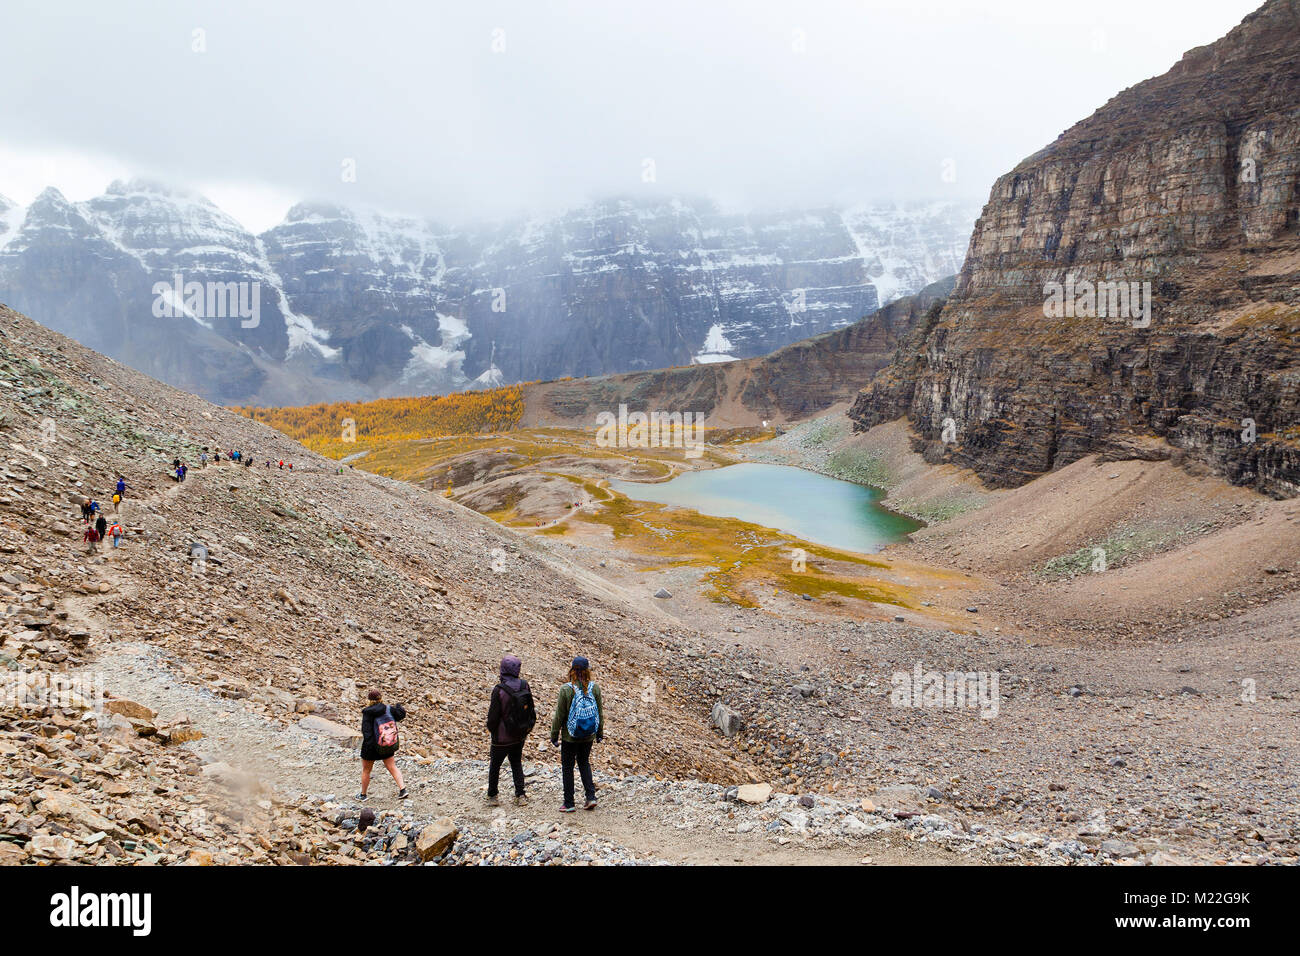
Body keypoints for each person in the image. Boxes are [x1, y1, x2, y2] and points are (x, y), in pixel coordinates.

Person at [549, 655, 604, 812]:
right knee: (584, 763)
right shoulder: (595, 688)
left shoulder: (566, 689)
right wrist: (599, 733)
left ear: (572, 670)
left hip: (569, 737)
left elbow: (559, 715)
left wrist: (554, 735)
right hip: (588, 735)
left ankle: (569, 803)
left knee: (567, 767)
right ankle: (590, 797)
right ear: (587, 671)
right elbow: (599, 713)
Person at [486, 655, 535, 807]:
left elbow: (493, 717)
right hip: (519, 734)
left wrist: (492, 731)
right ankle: (520, 794)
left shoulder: (499, 690)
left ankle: (493, 796)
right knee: (516, 762)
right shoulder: (524, 685)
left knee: (495, 765)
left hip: (501, 737)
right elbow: (531, 709)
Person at [357, 689, 408, 801]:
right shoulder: (388, 709)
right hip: (386, 744)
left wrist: (369, 747)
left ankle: (363, 795)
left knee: (366, 770)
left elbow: (366, 732)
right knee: (392, 767)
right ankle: (403, 789)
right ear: (381, 698)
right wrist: (399, 705)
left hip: (371, 747)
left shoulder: (367, 712)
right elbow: (400, 714)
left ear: (369, 700)